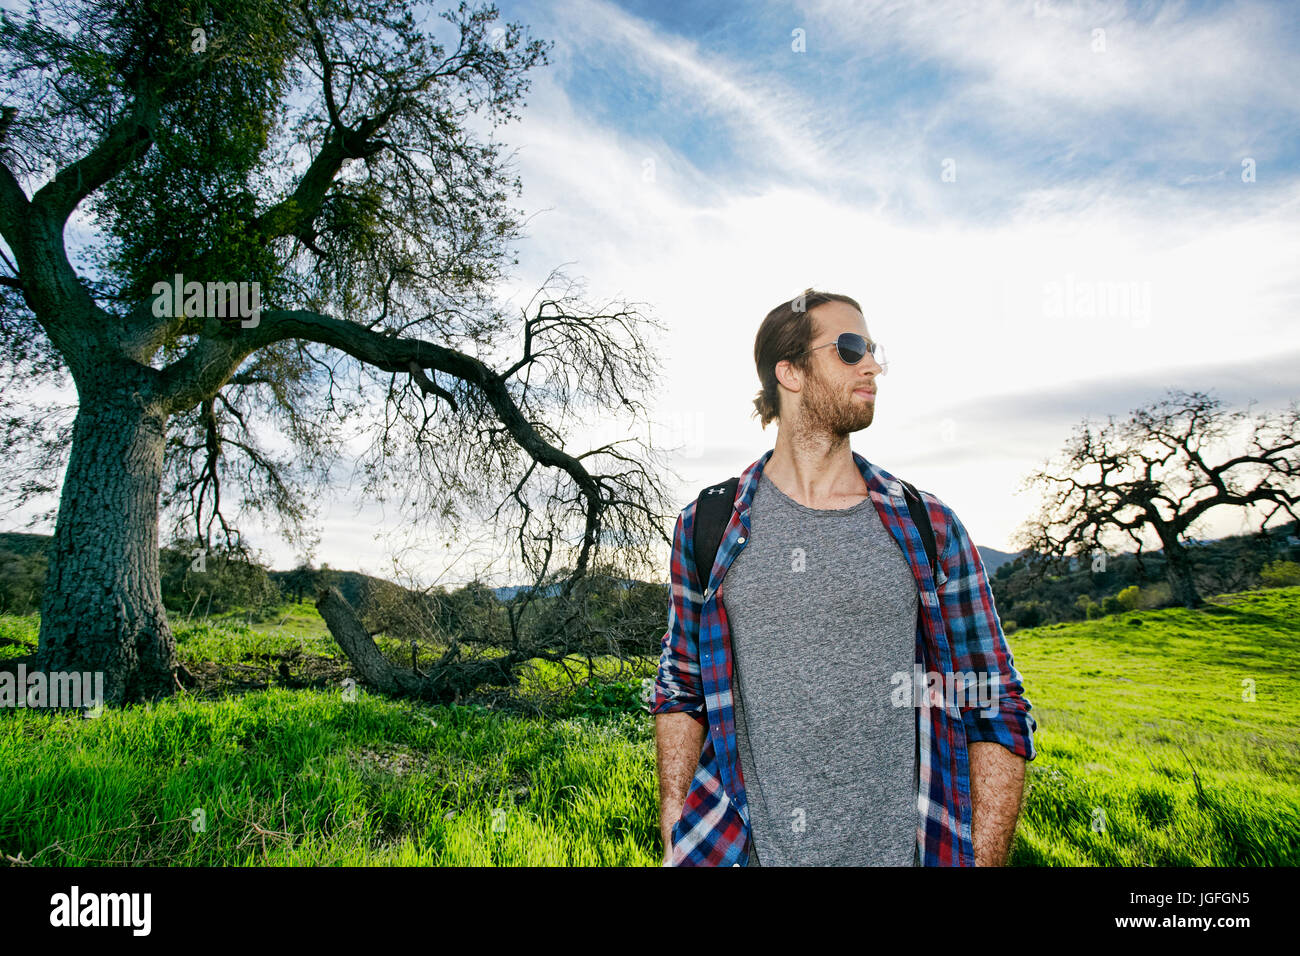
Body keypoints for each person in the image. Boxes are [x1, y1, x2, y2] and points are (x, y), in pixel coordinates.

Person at [651, 288, 1037, 866]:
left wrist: (982, 860)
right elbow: (683, 690)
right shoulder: (707, 527)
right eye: (850, 350)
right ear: (790, 372)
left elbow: (994, 699)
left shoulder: (927, 525)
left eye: (873, 350)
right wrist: (677, 828)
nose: (873, 366)